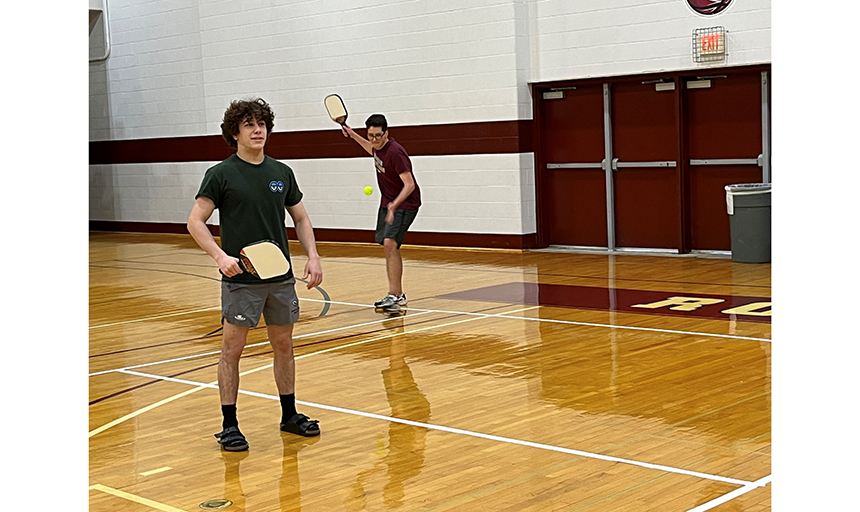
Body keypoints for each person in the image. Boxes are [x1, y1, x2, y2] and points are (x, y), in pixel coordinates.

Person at [187, 98, 323, 452]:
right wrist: (219, 256)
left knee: (284, 345)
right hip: (241, 281)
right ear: (235, 132)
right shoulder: (220, 174)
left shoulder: (281, 173)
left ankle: (289, 415)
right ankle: (229, 425)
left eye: (262, 123)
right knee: (232, 349)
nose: (258, 129)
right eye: (249, 124)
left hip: (279, 278)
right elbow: (195, 221)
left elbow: (301, 218)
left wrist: (313, 256)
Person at [342, 114, 421, 313]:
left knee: (390, 243)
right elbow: (372, 150)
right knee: (387, 245)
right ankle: (397, 294)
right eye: (371, 135)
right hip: (389, 203)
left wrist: (394, 205)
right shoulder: (377, 147)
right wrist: (353, 135)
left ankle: (395, 296)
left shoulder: (396, 153)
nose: (374, 140)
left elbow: (409, 185)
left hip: (405, 203)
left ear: (386, 133)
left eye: (378, 135)